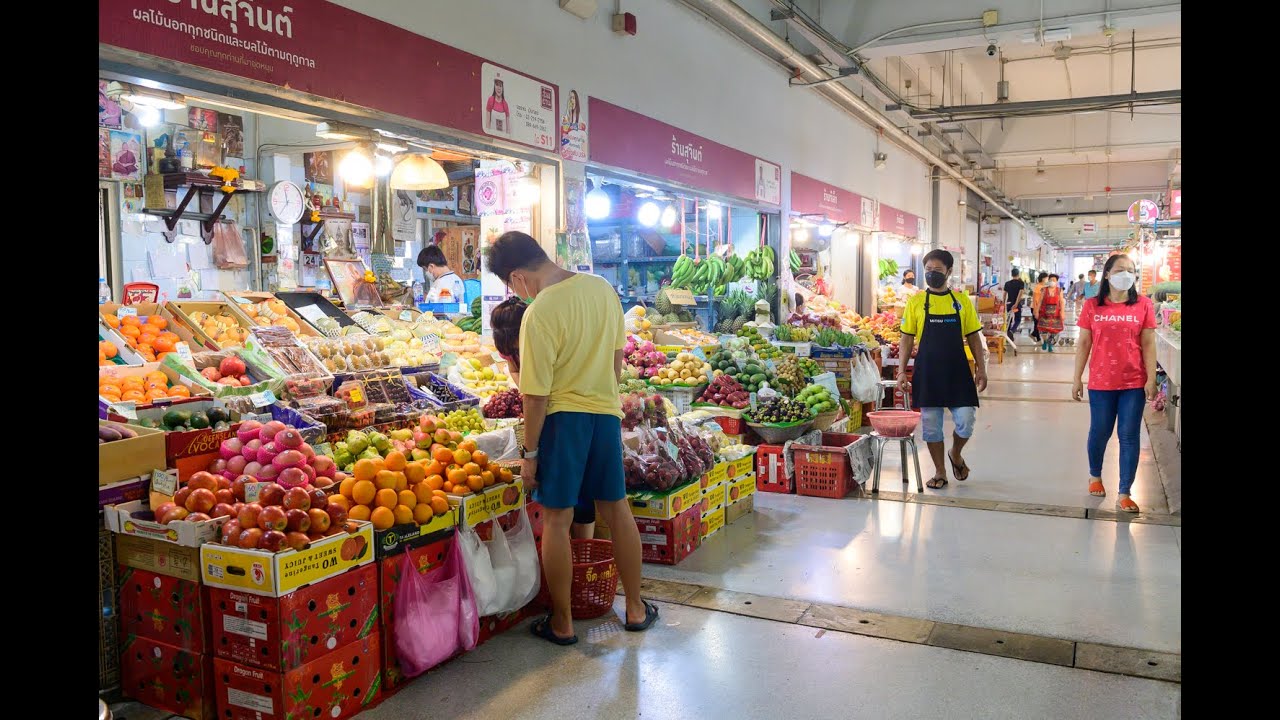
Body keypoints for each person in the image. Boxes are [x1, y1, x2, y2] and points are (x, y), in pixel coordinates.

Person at [484, 231, 656, 644]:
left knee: (558, 522)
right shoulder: (602, 290)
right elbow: (617, 364)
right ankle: (634, 608)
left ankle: (562, 623)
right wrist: (600, 399)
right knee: (617, 512)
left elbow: (535, 395)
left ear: (517, 276)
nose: (516, 294)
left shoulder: (539, 312)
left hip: (564, 421)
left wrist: (530, 454)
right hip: (604, 416)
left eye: (511, 286)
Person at [491, 296, 598, 540]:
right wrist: (530, 387)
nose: (515, 349)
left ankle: (582, 551)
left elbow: (540, 391)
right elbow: (525, 383)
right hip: (547, 418)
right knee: (560, 500)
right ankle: (569, 552)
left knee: (575, 494)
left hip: (566, 417)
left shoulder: (544, 340)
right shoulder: (511, 351)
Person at [1071, 254, 1157, 513]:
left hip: (1133, 381)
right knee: (1100, 432)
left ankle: (1124, 492)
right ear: (1107, 274)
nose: (1126, 274)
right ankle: (1095, 476)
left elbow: (1149, 344)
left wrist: (1151, 379)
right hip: (1101, 381)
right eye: (1120, 269)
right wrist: (1077, 377)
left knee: (1129, 436)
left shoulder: (1143, 305)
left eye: (1131, 270)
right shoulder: (1092, 306)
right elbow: (1084, 343)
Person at [896, 250, 988, 490]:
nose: (931, 274)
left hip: (958, 371)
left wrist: (981, 368)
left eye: (936, 271)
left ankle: (955, 453)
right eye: (928, 270)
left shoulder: (961, 301)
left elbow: (974, 338)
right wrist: (901, 371)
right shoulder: (916, 301)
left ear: (949, 272)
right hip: (928, 372)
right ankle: (939, 471)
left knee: (966, 420)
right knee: (931, 425)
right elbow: (906, 339)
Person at [1037, 273, 1065, 351]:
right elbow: (1040, 301)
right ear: (1048, 280)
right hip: (1044, 313)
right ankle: (1045, 341)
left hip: (1056, 314)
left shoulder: (1059, 290)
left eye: (1054, 280)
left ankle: (1050, 344)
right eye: (1051, 280)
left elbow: (1062, 302)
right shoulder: (1044, 289)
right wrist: (1036, 311)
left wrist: (1062, 312)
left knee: (1054, 331)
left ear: (1057, 281)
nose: (1052, 281)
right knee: (1043, 330)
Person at [1003, 269, 1026, 338]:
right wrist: (1016, 303)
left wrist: (1004, 303)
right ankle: (1012, 331)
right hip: (1017, 304)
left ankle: (1008, 335)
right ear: (1018, 274)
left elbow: (1004, 294)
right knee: (1018, 319)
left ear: (1011, 274)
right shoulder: (1021, 283)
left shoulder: (1007, 283)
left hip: (1009, 303)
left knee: (1009, 319)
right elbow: (1020, 294)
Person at [1029, 272, 1049, 342]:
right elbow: (1034, 299)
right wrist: (1035, 309)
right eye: (1047, 278)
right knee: (1037, 323)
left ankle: (1035, 336)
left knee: (1038, 323)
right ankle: (1036, 337)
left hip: (1041, 308)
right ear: (1043, 278)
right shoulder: (1038, 286)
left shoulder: (1045, 286)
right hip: (1035, 307)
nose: (1047, 279)